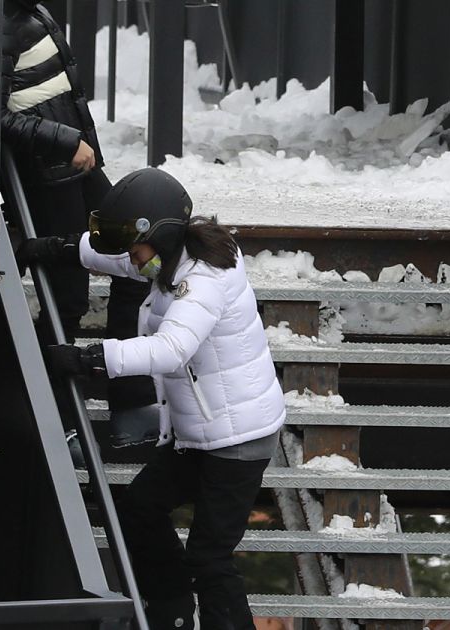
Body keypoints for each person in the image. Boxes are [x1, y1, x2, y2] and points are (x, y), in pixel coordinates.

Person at [34, 167, 286, 630]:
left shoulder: (203, 278)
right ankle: (171, 613)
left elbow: (171, 350)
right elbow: (120, 258)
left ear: (162, 235)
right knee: (139, 509)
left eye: (137, 247)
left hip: (237, 440)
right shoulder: (174, 254)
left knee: (209, 558)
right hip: (199, 432)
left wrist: (89, 356)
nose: (134, 259)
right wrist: (55, 249)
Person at [3, 0, 156, 447]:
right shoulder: (0, 24)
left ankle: (130, 401)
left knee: (139, 262)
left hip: (74, 169)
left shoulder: (28, 13)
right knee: (66, 300)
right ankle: (56, 422)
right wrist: (66, 141)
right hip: (46, 177)